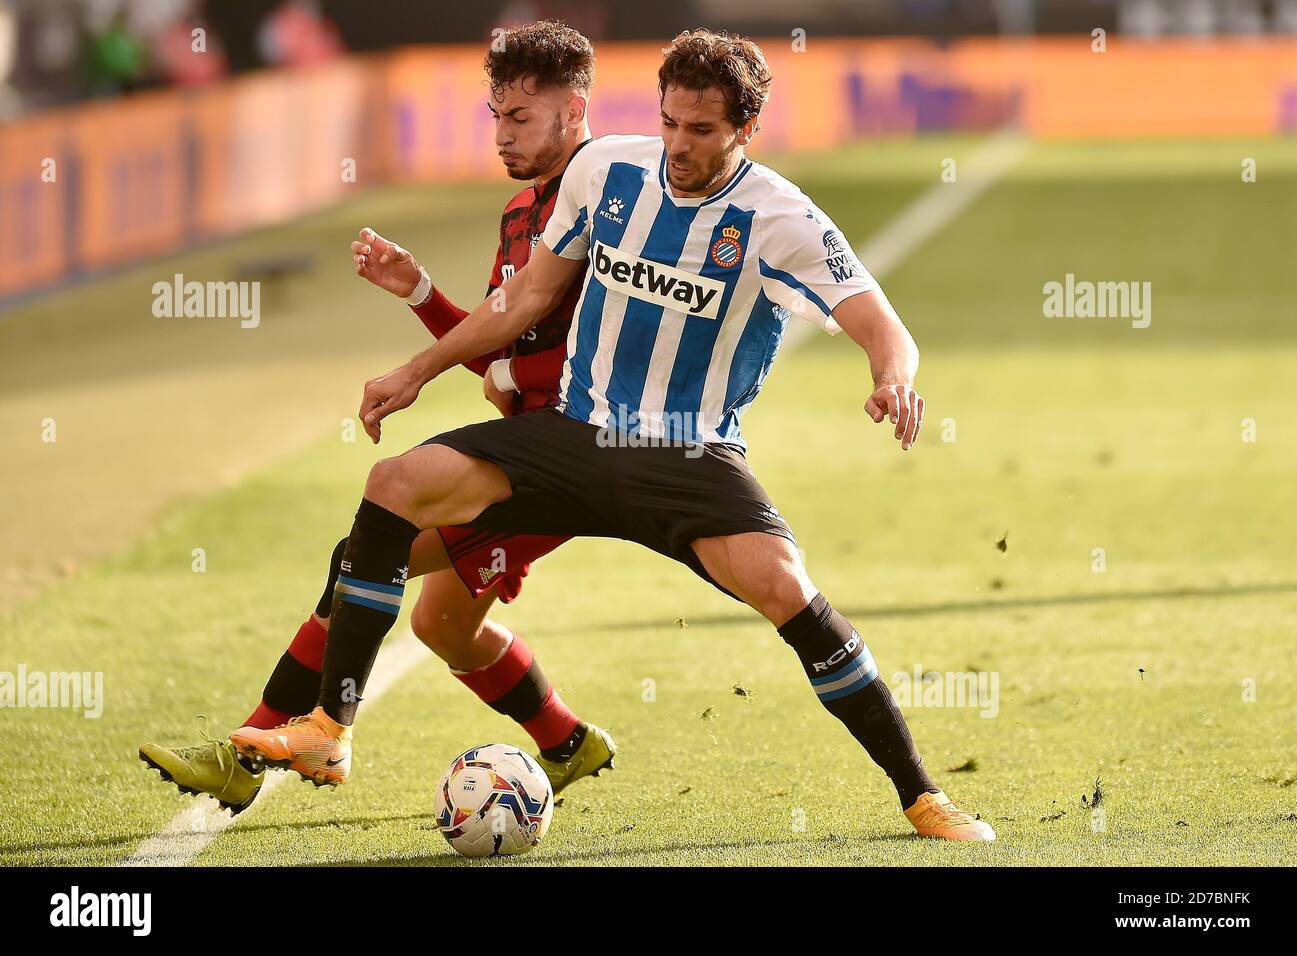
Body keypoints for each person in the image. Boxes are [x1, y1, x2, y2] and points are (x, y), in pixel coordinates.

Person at [235, 28, 994, 841]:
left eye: (701, 131)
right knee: (393, 485)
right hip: (575, 434)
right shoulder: (606, 173)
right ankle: (329, 730)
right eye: (670, 121)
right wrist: (415, 370)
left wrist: (893, 378)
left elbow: (882, 323)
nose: (677, 145)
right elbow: (524, 300)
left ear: (746, 129)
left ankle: (923, 796)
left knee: (789, 592)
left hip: (688, 456)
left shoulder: (781, 218)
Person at [139, 21, 614, 813]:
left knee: (362, 552)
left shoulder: (608, 200)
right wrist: (422, 293)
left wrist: (448, 370)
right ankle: (568, 742)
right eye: (494, 117)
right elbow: (496, 347)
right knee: (442, 625)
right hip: (521, 440)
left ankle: (249, 752)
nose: (500, 136)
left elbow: (523, 342)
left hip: (563, 457)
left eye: (520, 119)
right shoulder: (516, 217)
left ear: (576, 110)